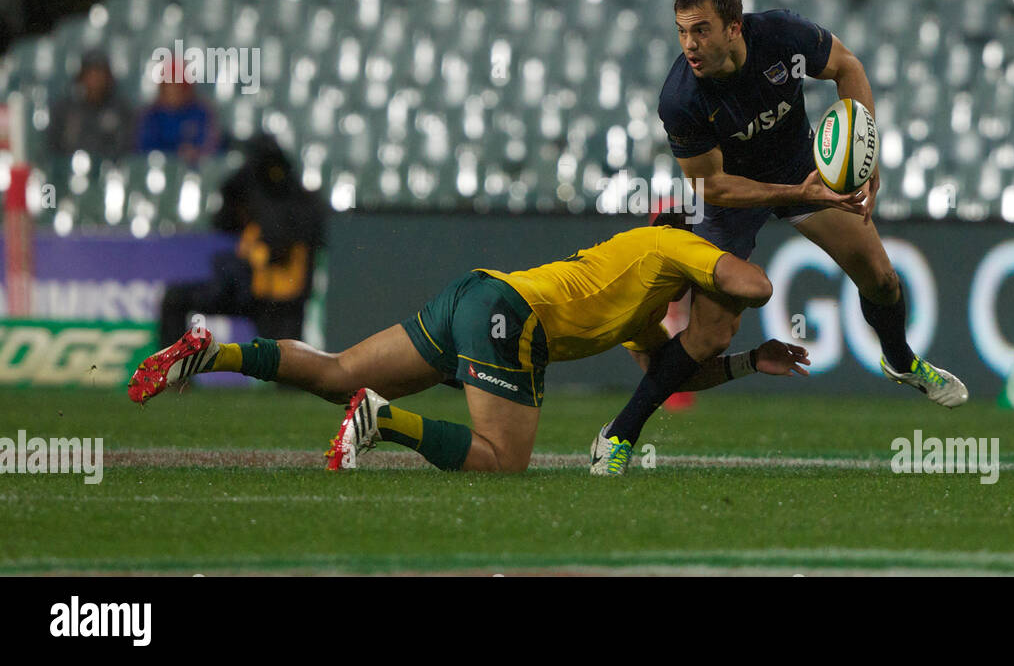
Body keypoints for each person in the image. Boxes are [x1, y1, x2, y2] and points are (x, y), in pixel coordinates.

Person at [591, 0, 968, 454]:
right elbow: (711, 185)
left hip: (800, 167)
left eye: (701, 30)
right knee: (710, 336)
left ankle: (901, 361)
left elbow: (847, 66)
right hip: (731, 201)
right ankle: (618, 435)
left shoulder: (781, 35)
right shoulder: (681, 98)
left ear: (734, 28)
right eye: (682, 31)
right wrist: (797, 190)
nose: (690, 44)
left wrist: (866, 148)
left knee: (882, 278)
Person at [129, 218, 811, 475]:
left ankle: (209, 352)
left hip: (477, 295)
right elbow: (750, 280)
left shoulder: (643, 303)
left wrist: (750, 361)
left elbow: (668, 375)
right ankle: (385, 419)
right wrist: (735, 261)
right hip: (507, 319)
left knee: (337, 373)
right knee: (503, 461)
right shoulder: (670, 243)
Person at [157, 133, 326, 349]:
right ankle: (176, 373)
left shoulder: (300, 201)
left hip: (280, 300)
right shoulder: (248, 188)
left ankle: (176, 373)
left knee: (286, 364)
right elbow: (222, 221)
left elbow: (287, 249)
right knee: (175, 298)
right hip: (246, 289)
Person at [48, 49, 135, 158]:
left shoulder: (121, 110)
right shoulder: (66, 111)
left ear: (108, 77)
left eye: (100, 73)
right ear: (81, 77)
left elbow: (126, 149)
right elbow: (53, 149)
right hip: (70, 170)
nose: (95, 79)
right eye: (90, 73)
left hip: (110, 170)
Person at [136, 65, 221, 162]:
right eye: (168, 86)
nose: (173, 91)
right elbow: (143, 150)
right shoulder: (151, 115)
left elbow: (211, 148)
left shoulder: (202, 113)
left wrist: (196, 153)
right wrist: (174, 154)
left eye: (177, 86)